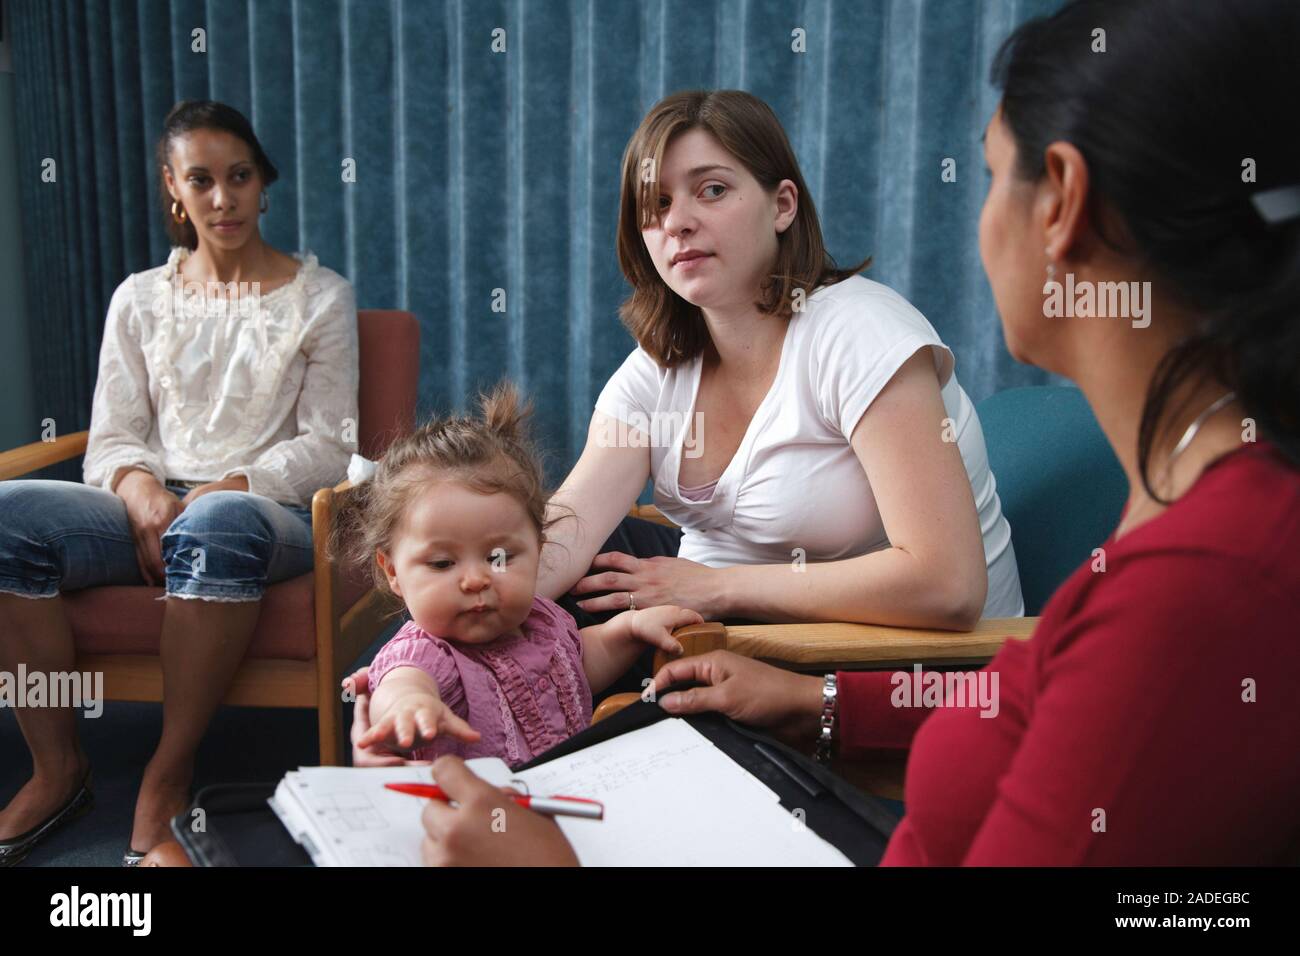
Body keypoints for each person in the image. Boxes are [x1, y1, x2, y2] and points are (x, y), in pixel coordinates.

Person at [408, 0, 1300, 865]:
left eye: (991, 178)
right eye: (655, 205)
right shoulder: (1176, 515)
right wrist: (416, 638)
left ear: (1061, 200)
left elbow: (959, 596)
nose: (676, 221)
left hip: (849, 645)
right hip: (789, 673)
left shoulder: (1194, 578)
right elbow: (553, 539)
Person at [0, 100, 359, 865]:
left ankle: (168, 771)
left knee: (217, 522)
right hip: (144, 499)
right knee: (5, 517)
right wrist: (140, 493)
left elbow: (333, 445)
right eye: (202, 179)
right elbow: (114, 437)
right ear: (174, 188)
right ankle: (58, 768)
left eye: (240, 177)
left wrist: (228, 484)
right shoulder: (137, 298)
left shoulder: (321, 297)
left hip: (271, 512)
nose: (223, 198)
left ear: (265, 184)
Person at [540, 88, 1024, 636]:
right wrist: (447, 583)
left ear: (782, 205)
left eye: (712, 189)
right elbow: (567, 535)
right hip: (735, 633)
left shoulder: (859, 333)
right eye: (657, 205)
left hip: (897, 665)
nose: (678, 222)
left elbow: (948, 585)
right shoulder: (659, 366)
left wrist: (716, 587)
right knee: (516, 568)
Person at [336, 383, 701, 768]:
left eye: (499, 557)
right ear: (393, 572)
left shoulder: (545, 622)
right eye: (443, 564)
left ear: (538, 551)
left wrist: (627, 630)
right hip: (473, 814)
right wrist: (410, 708)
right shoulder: (426, 654)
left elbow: (579, 665)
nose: (475, 580)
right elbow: (401, 685)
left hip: (559, 798)